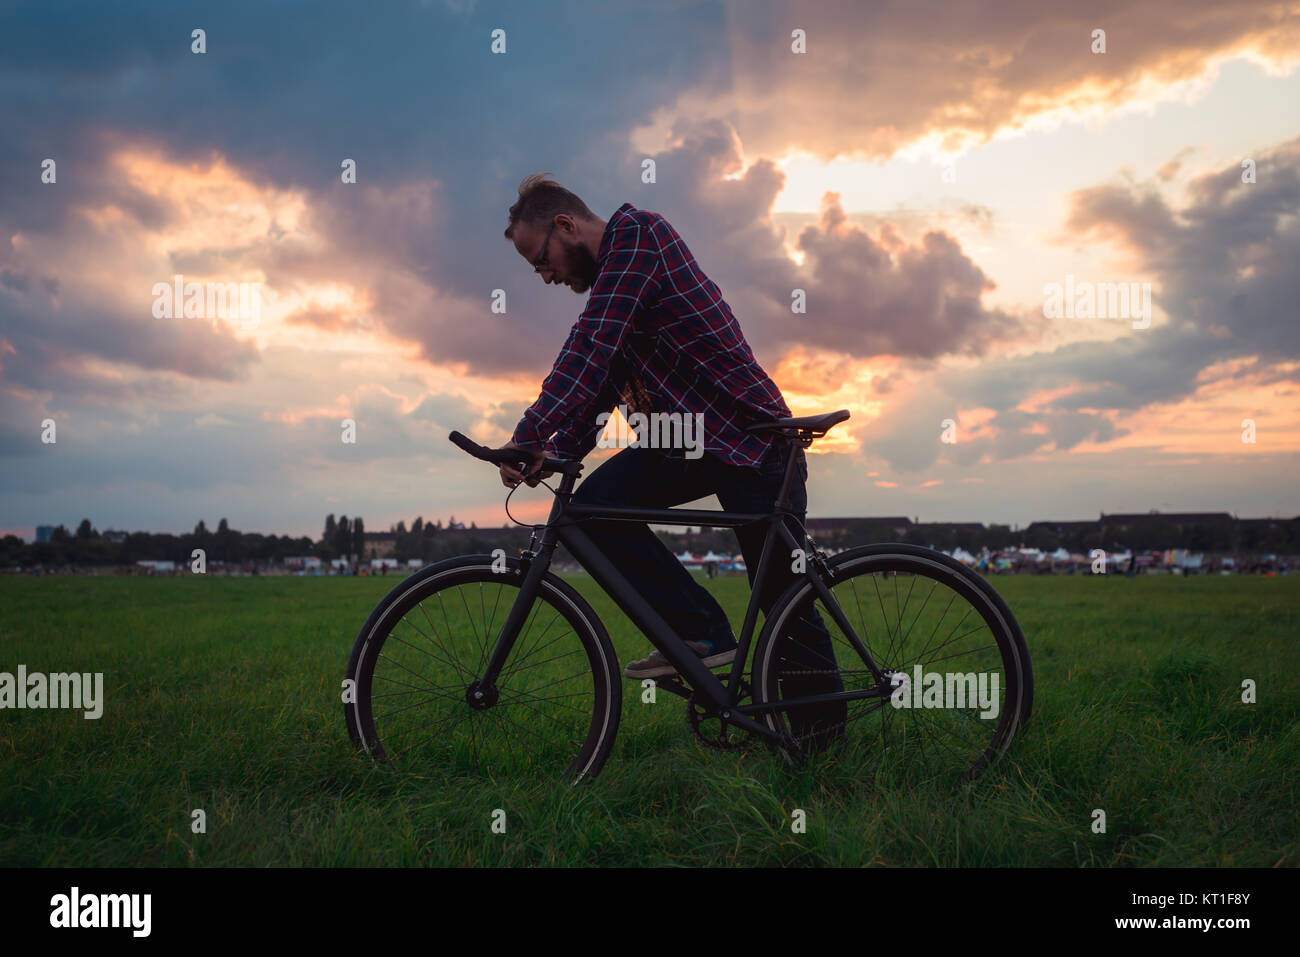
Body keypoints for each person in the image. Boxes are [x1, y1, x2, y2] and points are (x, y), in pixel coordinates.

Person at [495, 174, 843, 734]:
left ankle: (821, 748)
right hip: (690, 441)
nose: (547, 277)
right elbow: (600, 380)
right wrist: (556, 452)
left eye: (542, 259)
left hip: (752, 441)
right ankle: (702, 632)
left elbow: (592, 346)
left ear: (566, 226)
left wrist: (530, 433)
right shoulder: (615, 284)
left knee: (784, 604)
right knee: (595, 511)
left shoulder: (639, 235)